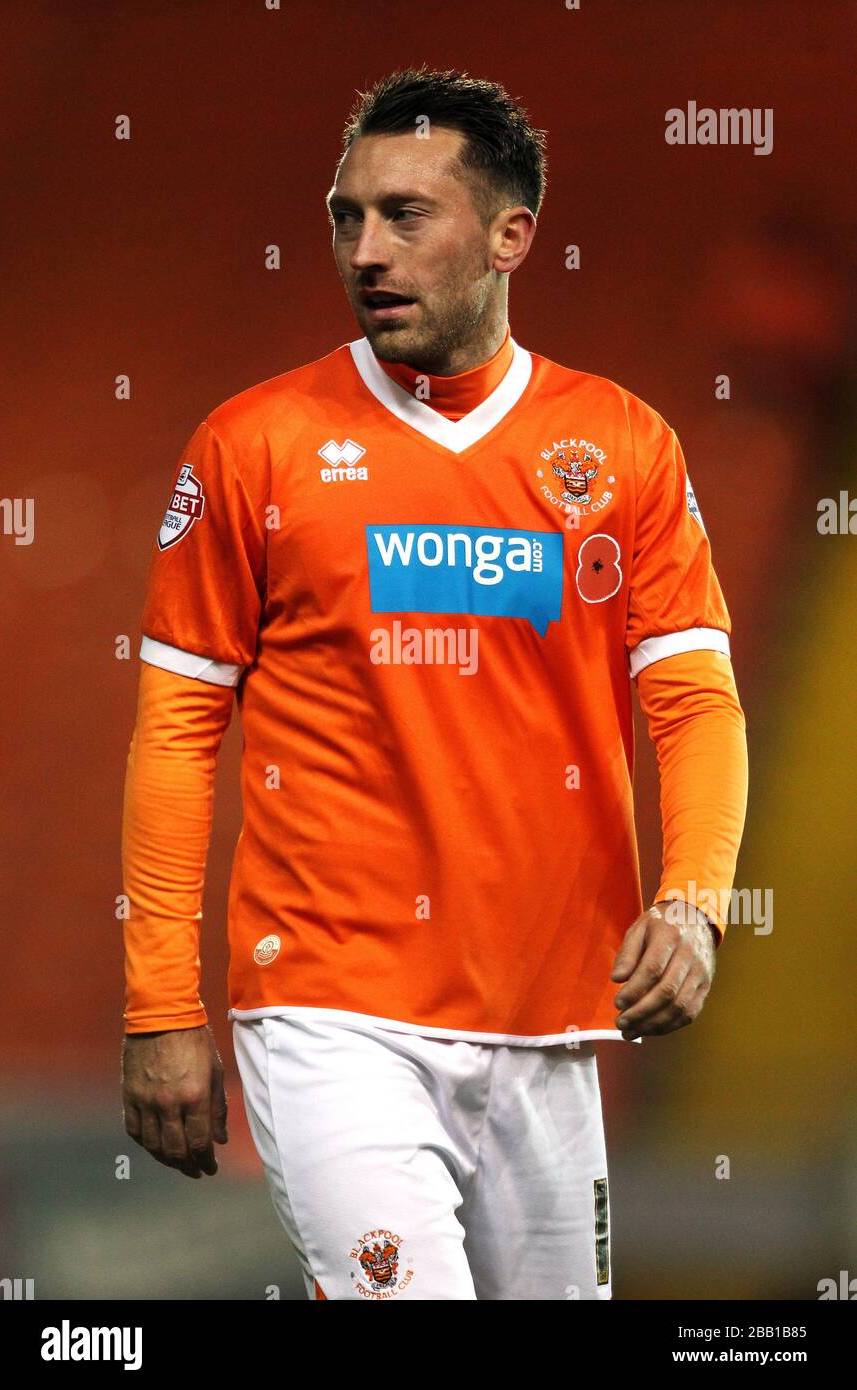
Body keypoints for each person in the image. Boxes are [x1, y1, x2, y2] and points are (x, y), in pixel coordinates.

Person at [120, 66, 748, 1301]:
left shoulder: (622, 446)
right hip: (327, 1006)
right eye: (345, 215)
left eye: (406, 216)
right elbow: (177, 726)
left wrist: (693, 902)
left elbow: (692, 698)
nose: (364, 249)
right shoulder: (253, 445)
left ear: (511, 236)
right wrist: (156, 1006)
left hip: (551, 1014)